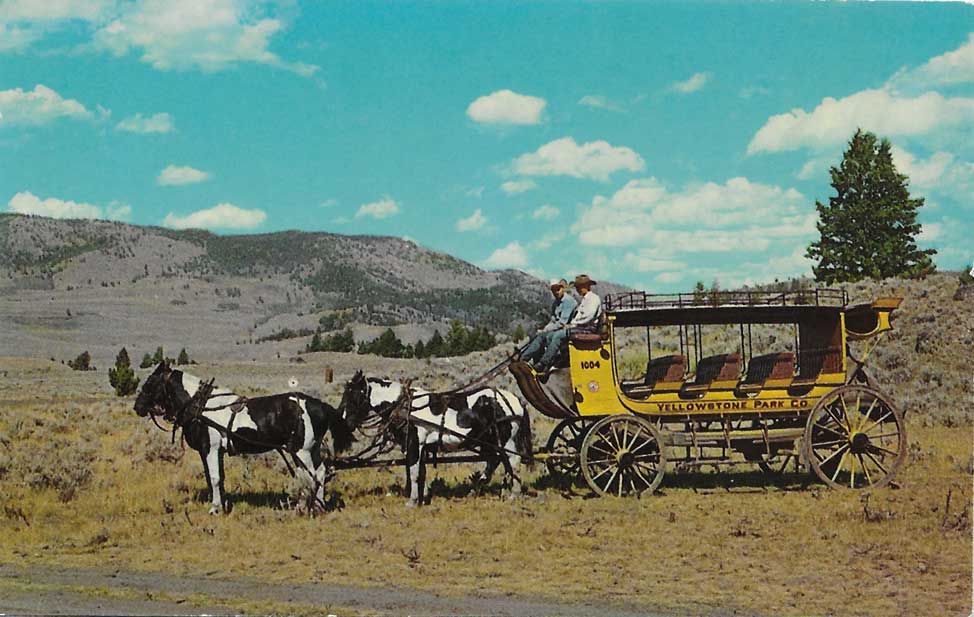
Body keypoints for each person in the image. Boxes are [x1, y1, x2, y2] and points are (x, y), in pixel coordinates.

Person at [533, 274, 603, 372]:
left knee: (558, 335)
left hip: (587, 328)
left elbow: (588, 317)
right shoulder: (585, 299)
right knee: (550, 336)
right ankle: (555, 359)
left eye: (579, 287)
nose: (578, 290)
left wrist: (573, 324)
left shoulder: (593, 299)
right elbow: (580, 316)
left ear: (586, 286)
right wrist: (572, 324)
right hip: (582, 327)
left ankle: (544, 363)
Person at [520, 278, 577, 366]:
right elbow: (553, 320)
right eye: (554, 290)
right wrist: (546, 328)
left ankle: (539, 362)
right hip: (558, 328)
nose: (556, 292)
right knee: (537, 335)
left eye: (558, 289)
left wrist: (546, 329)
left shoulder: (568, 301)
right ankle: (524, 358)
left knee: (542, 336)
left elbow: (562, 322)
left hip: (567, 329)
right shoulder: (555, 303)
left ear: (563, 288)